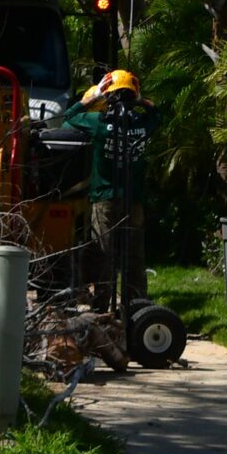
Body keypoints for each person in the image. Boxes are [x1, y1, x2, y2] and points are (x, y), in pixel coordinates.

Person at [61, 67, 155, 308]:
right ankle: (137, 303)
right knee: (133, 255)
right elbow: (159, 114)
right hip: (132, 200)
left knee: (104, 254)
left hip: (104, 199)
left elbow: (70, 116)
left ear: (109, 96)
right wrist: (140, 100)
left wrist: (92, 98)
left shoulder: (99, 124)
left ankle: (102, 304)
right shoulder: (143, 125)